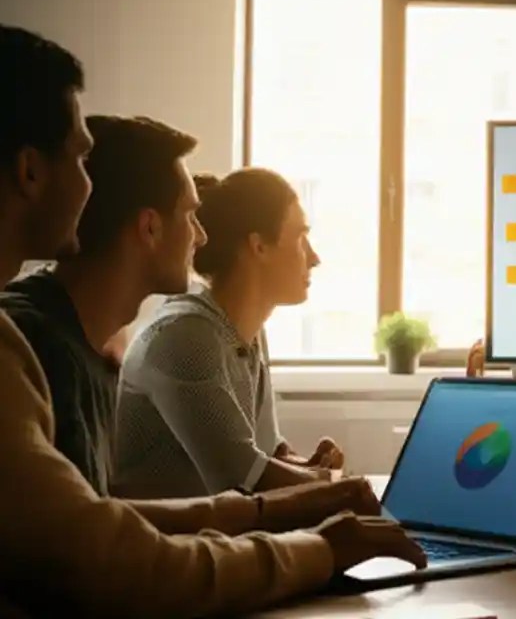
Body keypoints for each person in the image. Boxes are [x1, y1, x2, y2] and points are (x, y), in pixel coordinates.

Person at [0, 24, 424, 617]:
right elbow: (102, 561)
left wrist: (280, 513)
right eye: (79, 158)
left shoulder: (69, 340)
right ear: (29, 171)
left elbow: (93, 520)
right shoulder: (33, 342)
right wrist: (318, 548)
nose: (201, 237)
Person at [114, 166, 346, 498]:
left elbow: (264, 455)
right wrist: (341, 487)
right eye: (300, 238)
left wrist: (310, 466)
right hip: (163, 544)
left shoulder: (247, 333)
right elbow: (244, 480)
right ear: (258, 246)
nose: (314, 258)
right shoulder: (185, 336)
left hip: (213, 536)